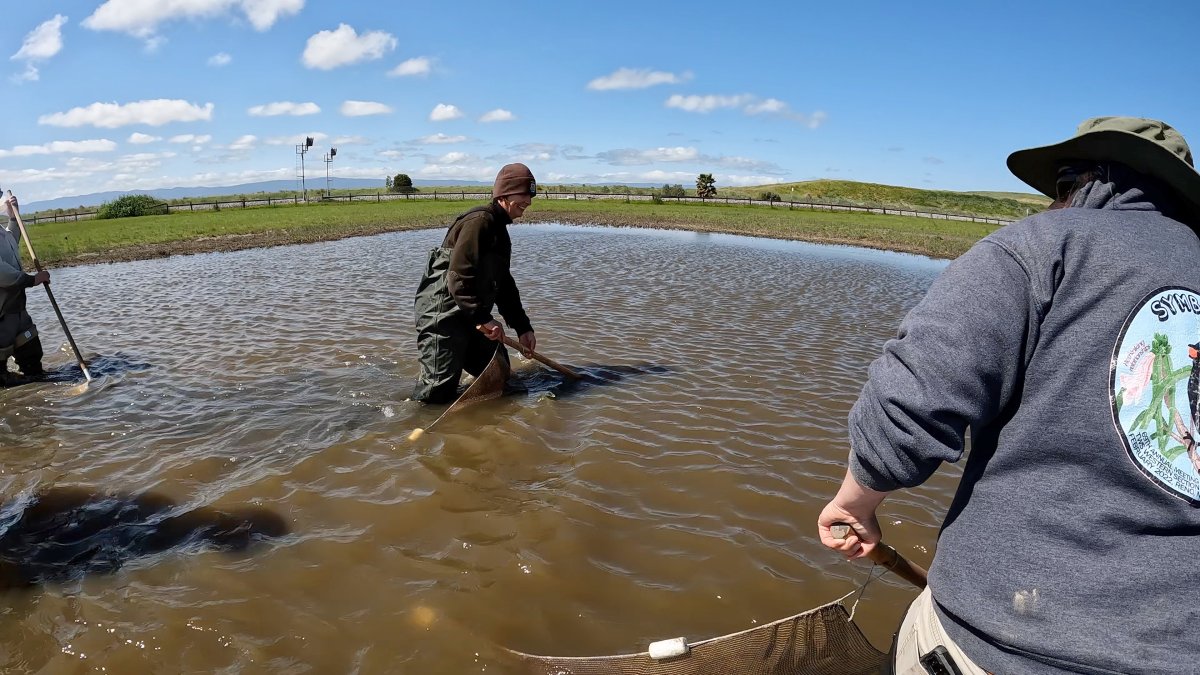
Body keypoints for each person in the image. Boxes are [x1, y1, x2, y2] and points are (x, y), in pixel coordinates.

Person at [817, 117, 1200, 674]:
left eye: (1063, 184)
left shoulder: (1040, 247)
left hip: (1000, 643)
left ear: (1088, 181)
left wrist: (855, 503)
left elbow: (914, 393)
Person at [411, 163, 538, 403]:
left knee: (498, 370)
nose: (528, 201)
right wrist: (483, 319)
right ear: (504, 194)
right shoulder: (479, 222)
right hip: (443, 318)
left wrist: (523, 328)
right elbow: (458, 277)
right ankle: (418, 426)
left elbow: (504, 285)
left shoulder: (500, 231)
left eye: (530, 196)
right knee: (436, 395)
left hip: (469, 316)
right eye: (523, 194)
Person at [0, 192, 48, 386]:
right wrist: (33, 279)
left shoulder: (1, 231)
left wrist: (13, 216)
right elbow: (3, 274)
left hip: (17, 310)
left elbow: (12, 241)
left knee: (32, 359)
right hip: (1, 315)